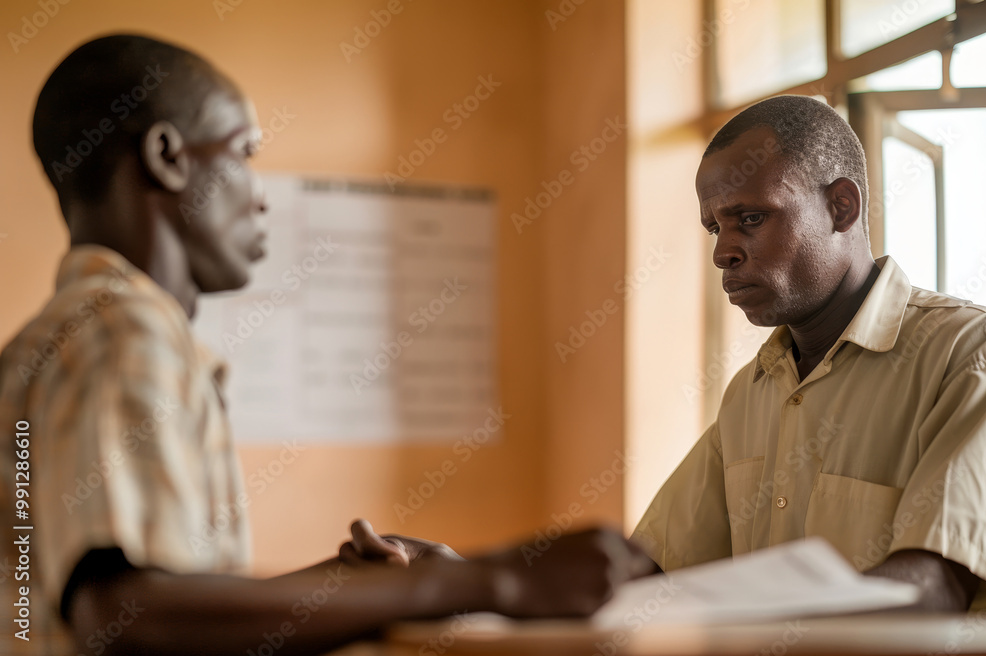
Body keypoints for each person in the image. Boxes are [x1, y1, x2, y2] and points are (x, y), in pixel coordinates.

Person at [0, 34, 646, 656]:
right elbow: (124, 619)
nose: (260, 198)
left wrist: (347, 587)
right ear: (167, 157)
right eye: (245, 151)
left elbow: (139, 605)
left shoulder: (48, 343)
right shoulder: (125, 331)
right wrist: (490, 579)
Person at [349, 95, 986, 613]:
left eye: (750, 218)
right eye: (714, 226)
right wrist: (465, 578)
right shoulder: (754, 388)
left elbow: (931, 589)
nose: (723, 250)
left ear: (840, 206)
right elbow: (653, 571)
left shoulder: (969, 355)